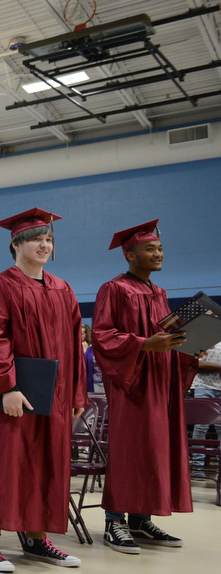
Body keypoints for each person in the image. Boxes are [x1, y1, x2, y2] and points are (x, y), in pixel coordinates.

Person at [0, 208, 86, 573]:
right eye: (37, 238)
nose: (44, 244)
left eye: (49, 239)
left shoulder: (62, 289)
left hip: (55, 395)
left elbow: (73, 344)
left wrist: (77, 393)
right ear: (16, 243)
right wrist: (7, 387)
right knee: (8, 466)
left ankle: (37, 539)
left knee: (48, 465)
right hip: (14, 395)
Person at [92, 220, 195, 554]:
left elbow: (165, 338)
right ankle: (114, 521)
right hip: (132, 384)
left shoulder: (159, 293)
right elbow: (103, 336)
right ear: (131, 254)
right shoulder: (115, 289)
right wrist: (145, 345)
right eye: (150, 249)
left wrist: (188, 345)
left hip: (161, 384)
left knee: (154, 449)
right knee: (130, 449)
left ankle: (140, 519)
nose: (158, 254)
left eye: (160, 248)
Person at [190, 341, 221, 477]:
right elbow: (197, 364)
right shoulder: (206, 338)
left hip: (220, 387)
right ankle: (197, 466)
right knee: (201, 427)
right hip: (203, 385)